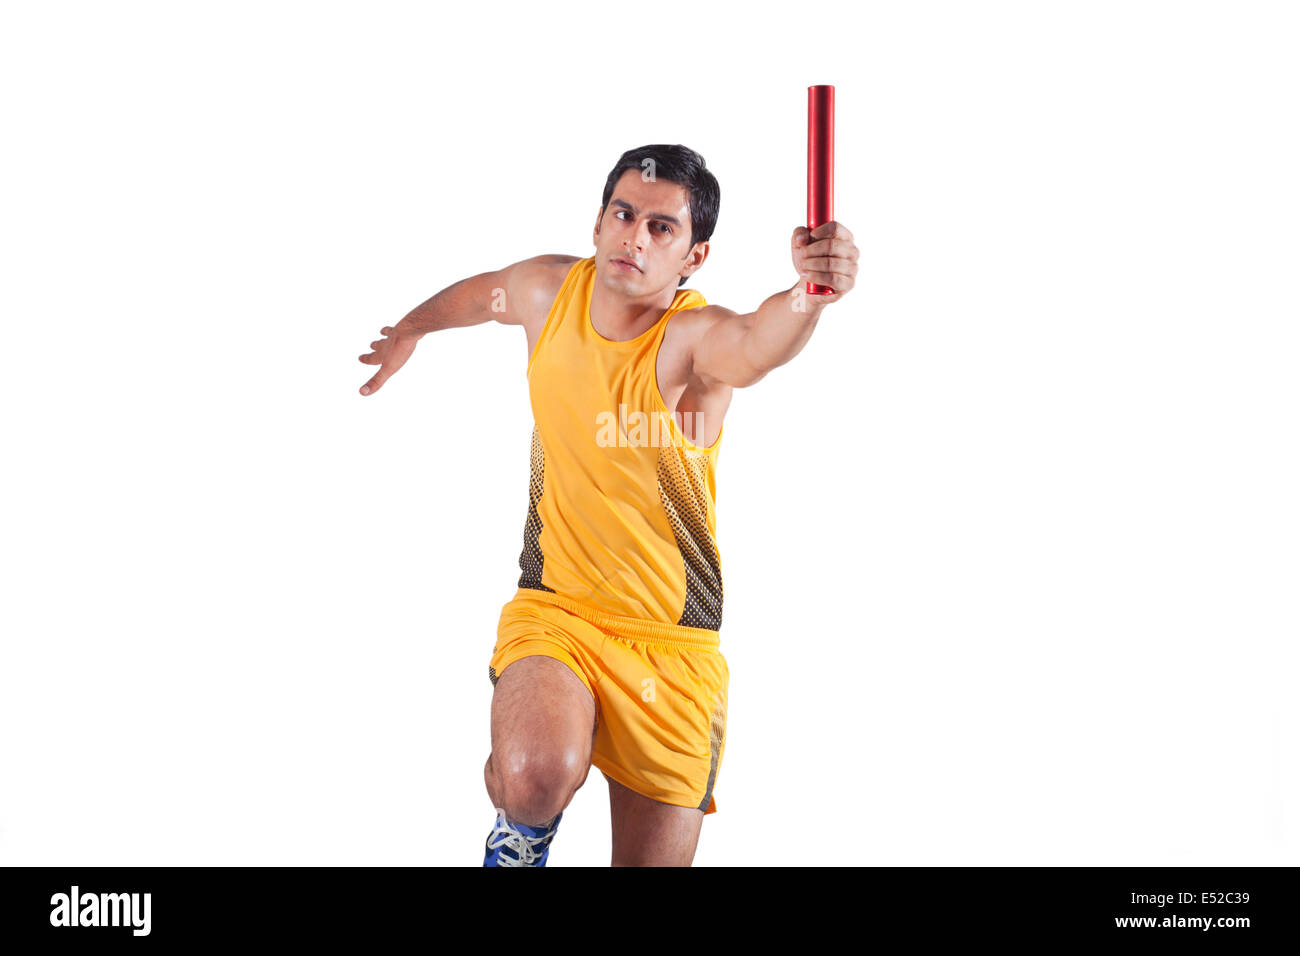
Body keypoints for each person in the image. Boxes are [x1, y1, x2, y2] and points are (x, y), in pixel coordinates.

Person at [357, 144, 858, 866]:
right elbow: (481, 295)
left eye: (663, 229)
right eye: (624, 214)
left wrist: (807, 294)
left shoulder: (692, 342)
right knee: (533, 777)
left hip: (672, 648)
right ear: (597, 224)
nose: (635, 237)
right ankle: (518, 819)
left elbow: (755, 341)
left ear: (694, 257)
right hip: (556, 611)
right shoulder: (544, 291)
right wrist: (411, 327)